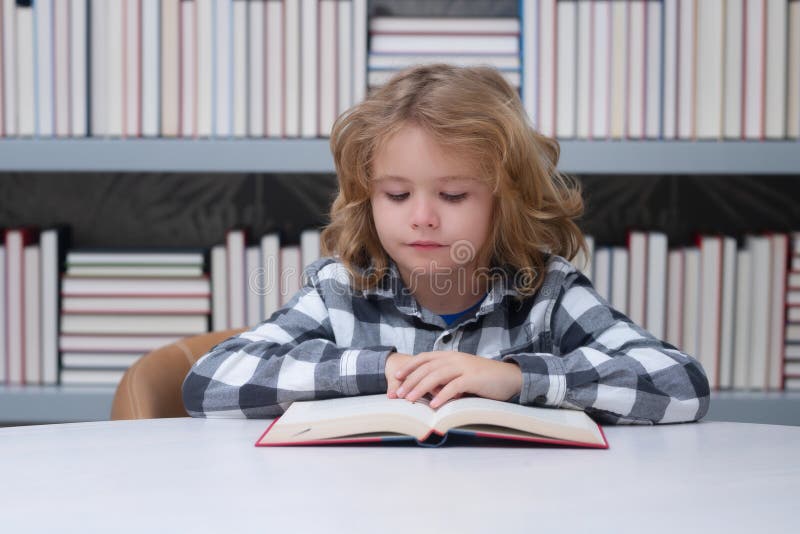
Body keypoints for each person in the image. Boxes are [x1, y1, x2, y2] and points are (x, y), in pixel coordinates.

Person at [182, 64, 709, 424]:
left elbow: (683, 384)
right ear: (368, 198)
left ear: (506, 201)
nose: (422, 219)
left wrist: (513, 378)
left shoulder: (547, 293)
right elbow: (209, 382)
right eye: (396, 194)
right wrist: (380, 368)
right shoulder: (339, 290)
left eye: (453, 195)